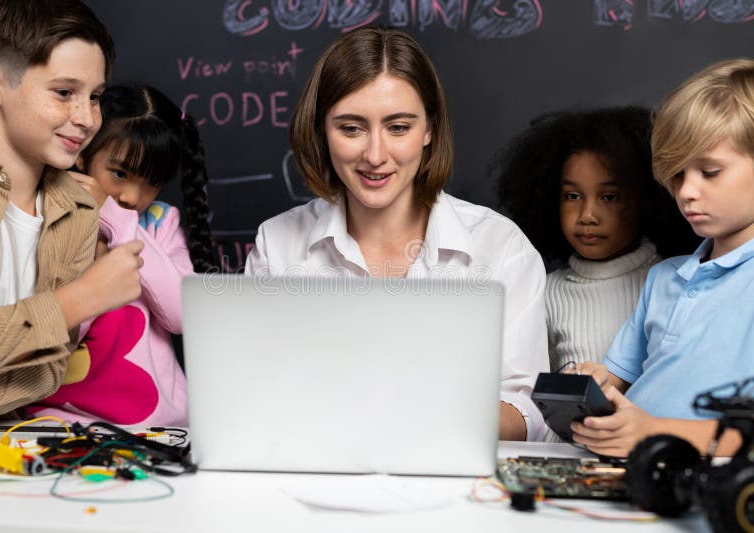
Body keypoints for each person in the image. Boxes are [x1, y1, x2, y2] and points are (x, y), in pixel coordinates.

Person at [245, 27, 549, 441]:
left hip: (452, 471)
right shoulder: (277, 244)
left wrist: (419, 415)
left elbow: (528, 411)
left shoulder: (500, 247)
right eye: (351, 128)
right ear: (321, 131)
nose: (375, 155)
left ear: (429, 130)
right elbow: (253, 394)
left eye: (399, 127)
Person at [0, 0, 145, 421]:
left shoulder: (79, 208)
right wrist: (79, 299)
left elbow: (51, 367)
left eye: (95, 97)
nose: (87, 118)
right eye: (64, 93)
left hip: (1, 438)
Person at [572, 58, 754, 457]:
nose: (685, 192)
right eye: (678, 174)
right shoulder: (665, 277)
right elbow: (619, 379)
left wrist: (652, 432)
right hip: (636, 471)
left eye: (710, 172)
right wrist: (595, 383)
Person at [29, 85, 215, 426]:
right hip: (54, 422)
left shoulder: (158, 223)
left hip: (155, 427)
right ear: (82, 153)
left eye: (151, 183)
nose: (131, 196)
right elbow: (41, 328)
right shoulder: (42, 216)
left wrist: (116, 220)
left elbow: (180, 315)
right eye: (119, 174)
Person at [496, 107, 698, 373]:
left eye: (609, 197)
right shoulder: (545, 293)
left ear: (645, 199)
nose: (587, 216)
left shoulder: (677, 281)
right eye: (573, 196)